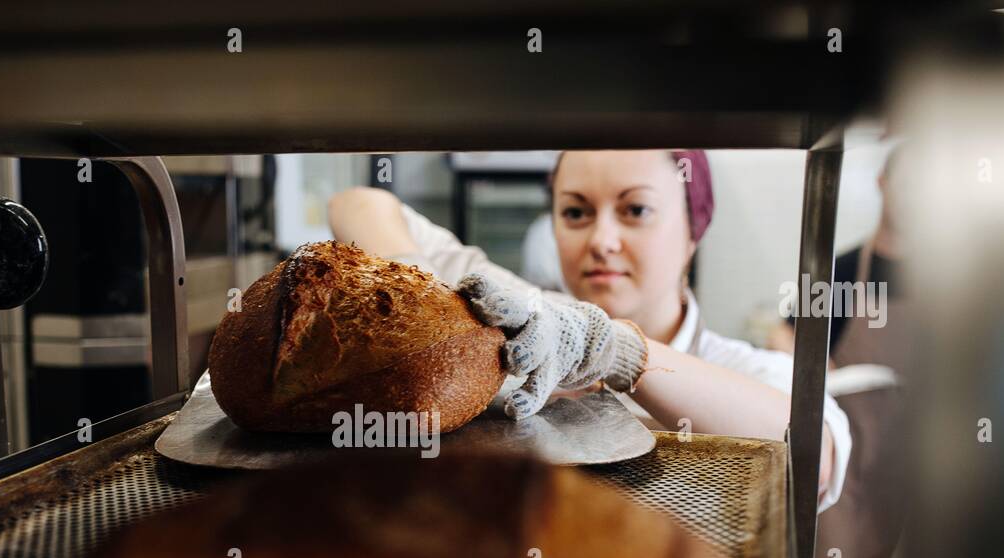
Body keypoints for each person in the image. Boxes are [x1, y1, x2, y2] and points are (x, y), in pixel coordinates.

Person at [328, 149, 852, 513]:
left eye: (635, 210)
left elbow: (816, 454)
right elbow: (358, 204)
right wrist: (417, 287)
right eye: (576, 211)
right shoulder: (527, 316)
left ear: (694, 229)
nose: (601, 240)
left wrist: (613, 351)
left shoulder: (744, 372)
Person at [771, 147, 910, 558]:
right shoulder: (844, 268)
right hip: (846, 434)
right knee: (836, 551)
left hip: (904, 443)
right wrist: (810, 378)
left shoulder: (951, 279)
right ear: (882, 182)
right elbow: (784, 331)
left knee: (872, 555)